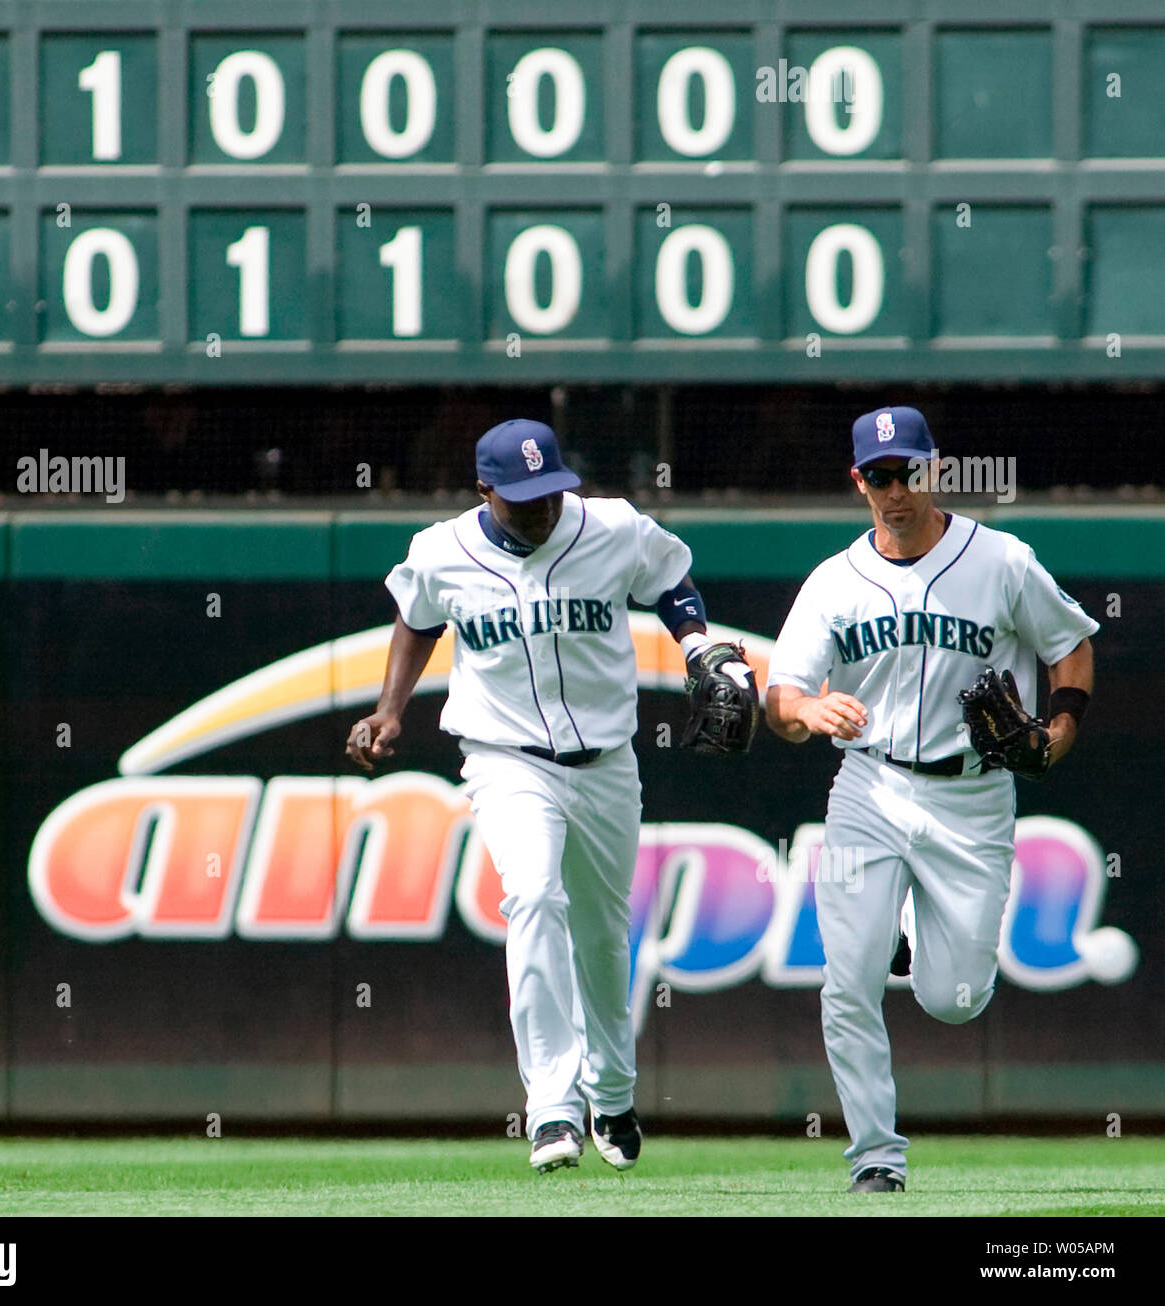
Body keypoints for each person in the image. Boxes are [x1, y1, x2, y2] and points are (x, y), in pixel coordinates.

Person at [345, 418, 744, 1173]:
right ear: (484, 490)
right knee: (532, 898)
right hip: (506, 758)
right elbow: (415, 619)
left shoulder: (612, 528)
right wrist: (391, 708)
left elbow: (672, 584)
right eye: (522, 499)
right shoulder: (442, 551)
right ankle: (552, 1111)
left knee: (600, 933)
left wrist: (698, 646)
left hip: (605, 761)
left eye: (551, 494)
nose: (542, 510)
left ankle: (615, 1093)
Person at [764, 406, 1098, 1193]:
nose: (895, 489)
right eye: (878, 476)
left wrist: (1059, 730)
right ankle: (877, 1158)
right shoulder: (836, 581)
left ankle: (912, 930)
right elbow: (779, 696)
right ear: (857, 482)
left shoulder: (1001, 562)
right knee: (846, 980)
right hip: (869, 786)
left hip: (973, 797)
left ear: (936, 469)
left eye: (908, 471)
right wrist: (807, 711)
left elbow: (1073, 645)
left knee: (954, 1000)